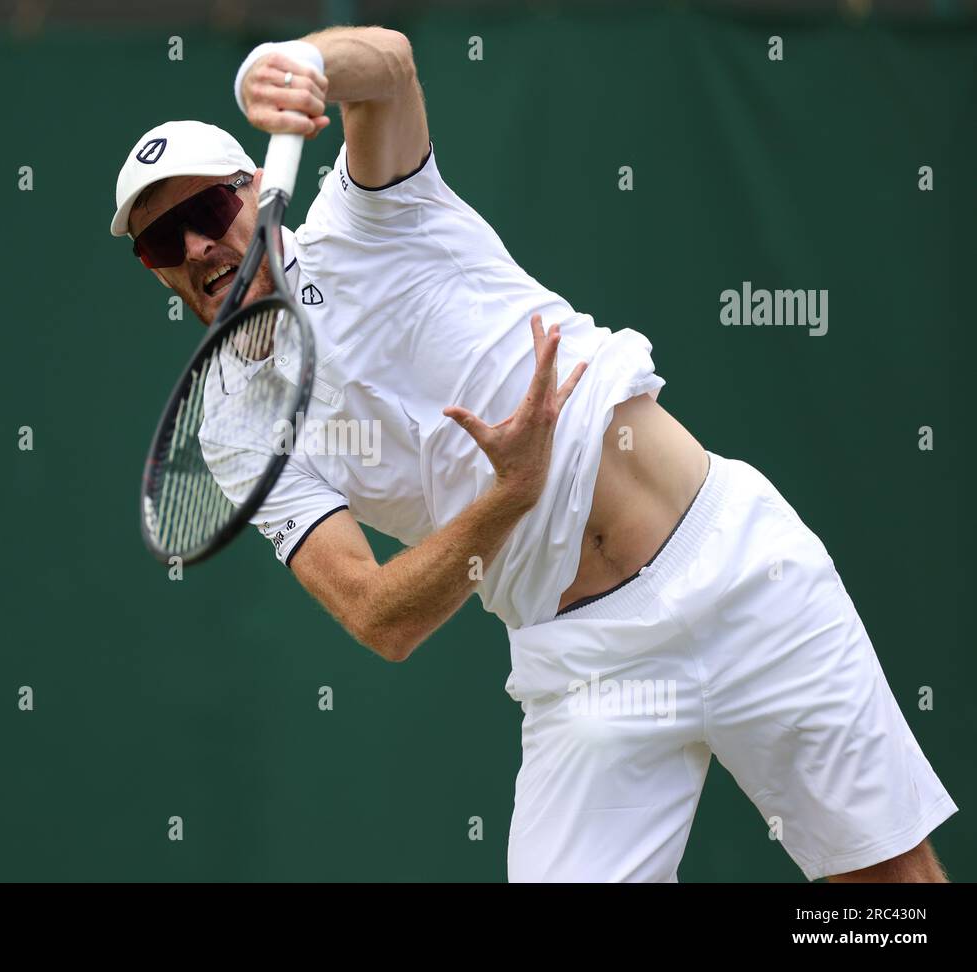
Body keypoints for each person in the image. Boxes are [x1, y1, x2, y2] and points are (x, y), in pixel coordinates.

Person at [110, 26, 956, 882]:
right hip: (584, 668)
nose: (195, 247)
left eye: (206, 211)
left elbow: (390, 67)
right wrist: (511, 491)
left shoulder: (369, 213)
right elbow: (379, 617)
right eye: (162, 240)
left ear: (257, 190)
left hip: (740, 570)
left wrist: (301, 62)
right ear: (154, 270)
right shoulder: (234, 429)